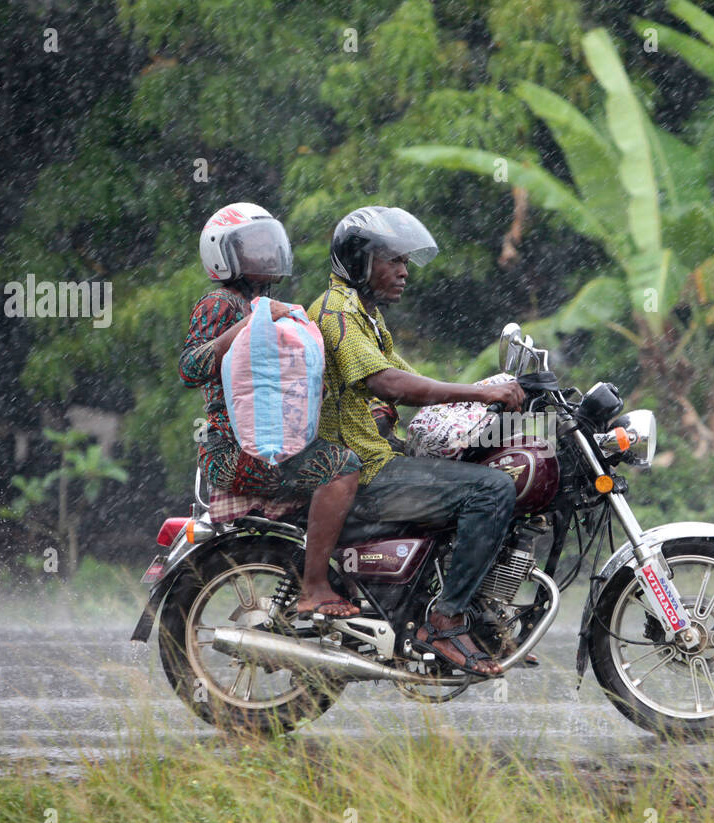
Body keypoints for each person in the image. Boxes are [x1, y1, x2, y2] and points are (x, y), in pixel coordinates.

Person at [307, 206, 525, 677]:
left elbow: (409, 378)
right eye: (393, 261)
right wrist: (481, 392)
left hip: (375, 457)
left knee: (487, 471)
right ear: (361, 262)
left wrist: (484, 395)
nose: (405, 272)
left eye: (405, 261)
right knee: (491, 489)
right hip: (360, 470)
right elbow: (392, 385)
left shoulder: (367, 316)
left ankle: (475, 611)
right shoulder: (338, 313)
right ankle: (444, 620)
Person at [179, 202, 362, 618]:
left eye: (268, 245)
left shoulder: (270, 305)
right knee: (342, 466)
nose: (265, 255)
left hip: (269, 442)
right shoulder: (219, 304)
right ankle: (313, 587)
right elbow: (190, 368)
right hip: (231, 450)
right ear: (222, 257)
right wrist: (248, 323)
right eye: (252, 248)